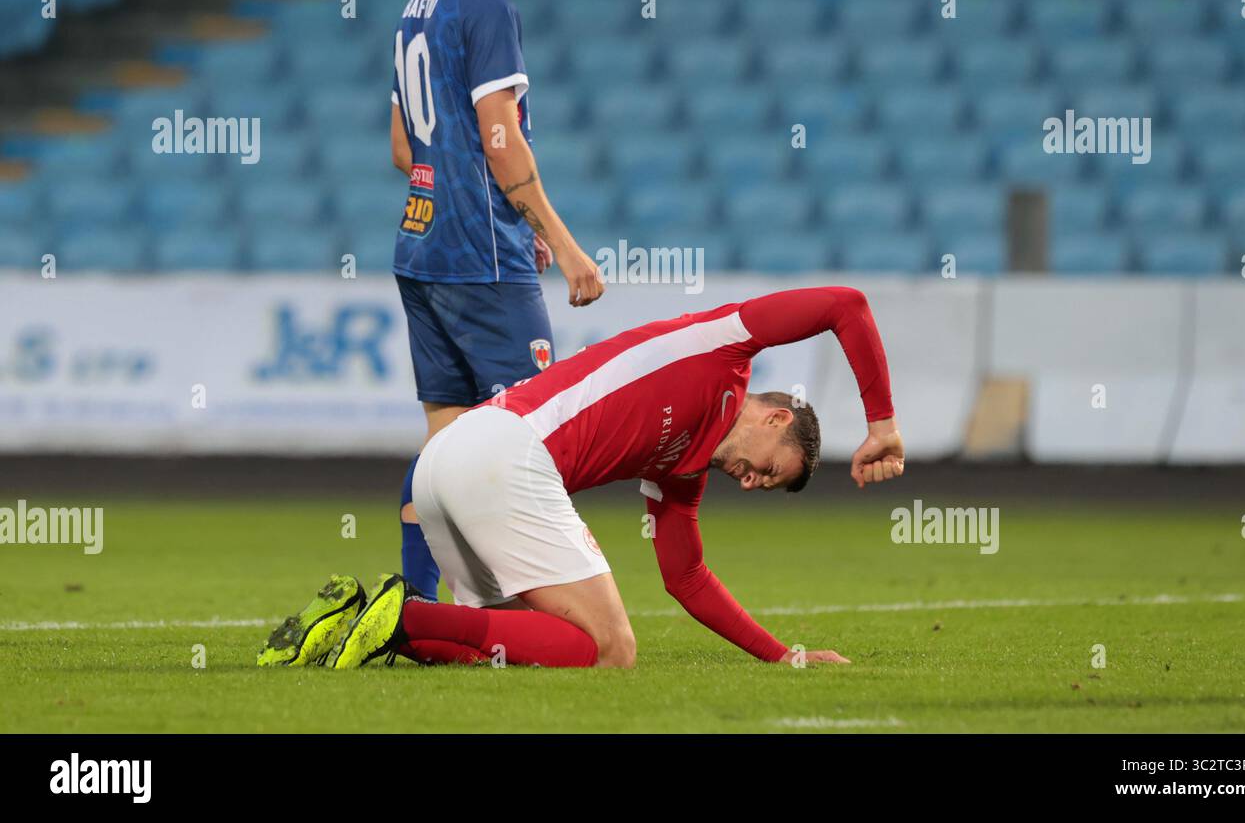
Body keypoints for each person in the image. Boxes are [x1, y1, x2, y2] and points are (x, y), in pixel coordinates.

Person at [259, 286, 904, 670]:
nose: (750, 482)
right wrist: (882, 422)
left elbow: (686, 578)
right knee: (611, 649)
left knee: (512, 654)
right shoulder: (724, 349)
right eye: (768, 470)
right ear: (775, 417)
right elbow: (845, 305)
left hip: (450, 462)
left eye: (762, 486)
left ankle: (351, 621)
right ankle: (402, 618)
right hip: (504, 454)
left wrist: (782, 655)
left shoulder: (679, 471)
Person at [388, 0, 605, 602]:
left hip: (421, 248)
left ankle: (416, 607)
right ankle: (546, 604)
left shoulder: (418, 5)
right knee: (531, 435)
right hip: (480, 258)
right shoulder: (486, 5)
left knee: (447, 441)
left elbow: (401, 144)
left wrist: (476, 204)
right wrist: (563, 241)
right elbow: (499, 134)